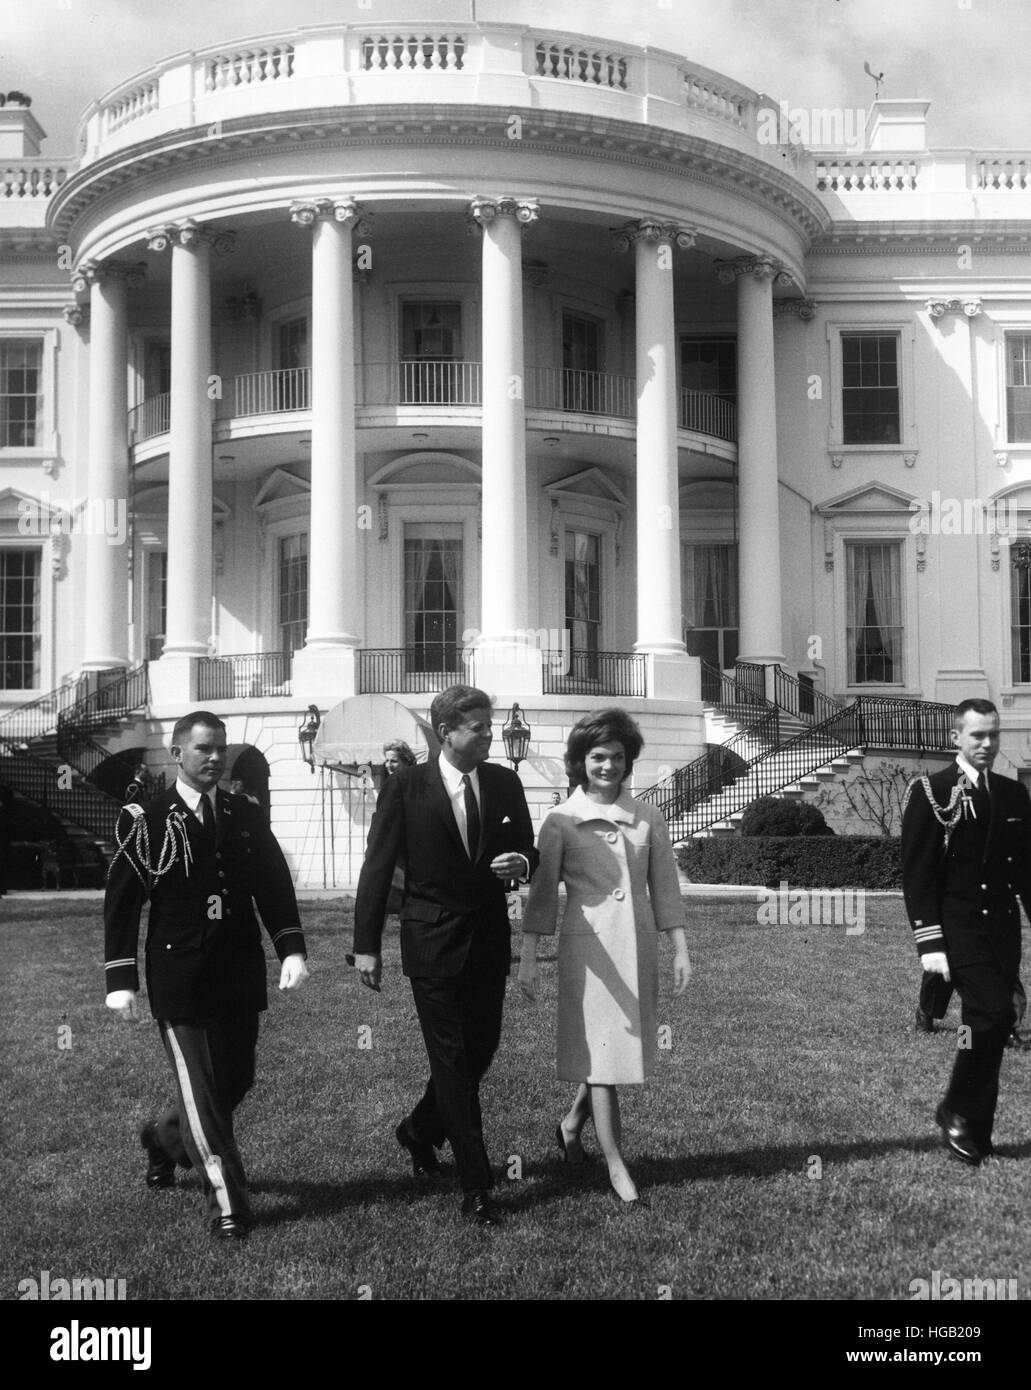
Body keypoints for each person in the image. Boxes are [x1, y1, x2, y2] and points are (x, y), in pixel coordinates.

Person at [104, 711, 309, 1240]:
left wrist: (289, 947)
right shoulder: (146, 818)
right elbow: (123, 903)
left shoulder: (244, 811)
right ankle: (229, 1202)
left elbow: (272, 881)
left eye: (220, 748)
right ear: (177, 753)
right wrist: (120, 978)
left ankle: (163, 1139)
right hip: (180, 976)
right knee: (200, 1091)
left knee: (234, 1080)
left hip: (238, 970)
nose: (214, 757)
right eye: (202, 749)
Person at [353, 684, 538, 1226]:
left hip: (487, 941)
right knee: (452, 1061)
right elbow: (377, 865)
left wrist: (520, 864)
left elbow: (530, 845)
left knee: (480, 1050)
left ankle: (418, 1129)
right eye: (478, 726)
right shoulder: (407, 786)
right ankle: (477, 1184)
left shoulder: (504, 782)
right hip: (431, 942)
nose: (489, 734)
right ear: (446, 733)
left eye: (489, 724)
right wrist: (366, 946)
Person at [518, 709, 691, 1204]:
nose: (608, 766)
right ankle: (616, 1163)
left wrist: (680, 948)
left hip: (636, 945)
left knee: (610, 1050)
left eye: (617, 756)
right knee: (603, 1051)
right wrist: (529, 956)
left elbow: (665, 889)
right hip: (587, 950)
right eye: (598, 756)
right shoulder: (561, 821)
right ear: (580, 761)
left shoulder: (648, 817)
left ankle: (572, 1124)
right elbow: (542, 897)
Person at [901, 698, 1031, 1165]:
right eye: (977, 735)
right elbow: (917, 873)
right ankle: (957, 1109)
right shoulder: (932, 790)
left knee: (993, 1025)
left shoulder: (1013, 793)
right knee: (991, 1013)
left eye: (993, 734)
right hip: (958, 928)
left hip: (1001, 929)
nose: (987, 744)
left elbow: (1024, 869)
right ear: (956, 737)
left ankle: (977, 1126)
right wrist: (930, 941)